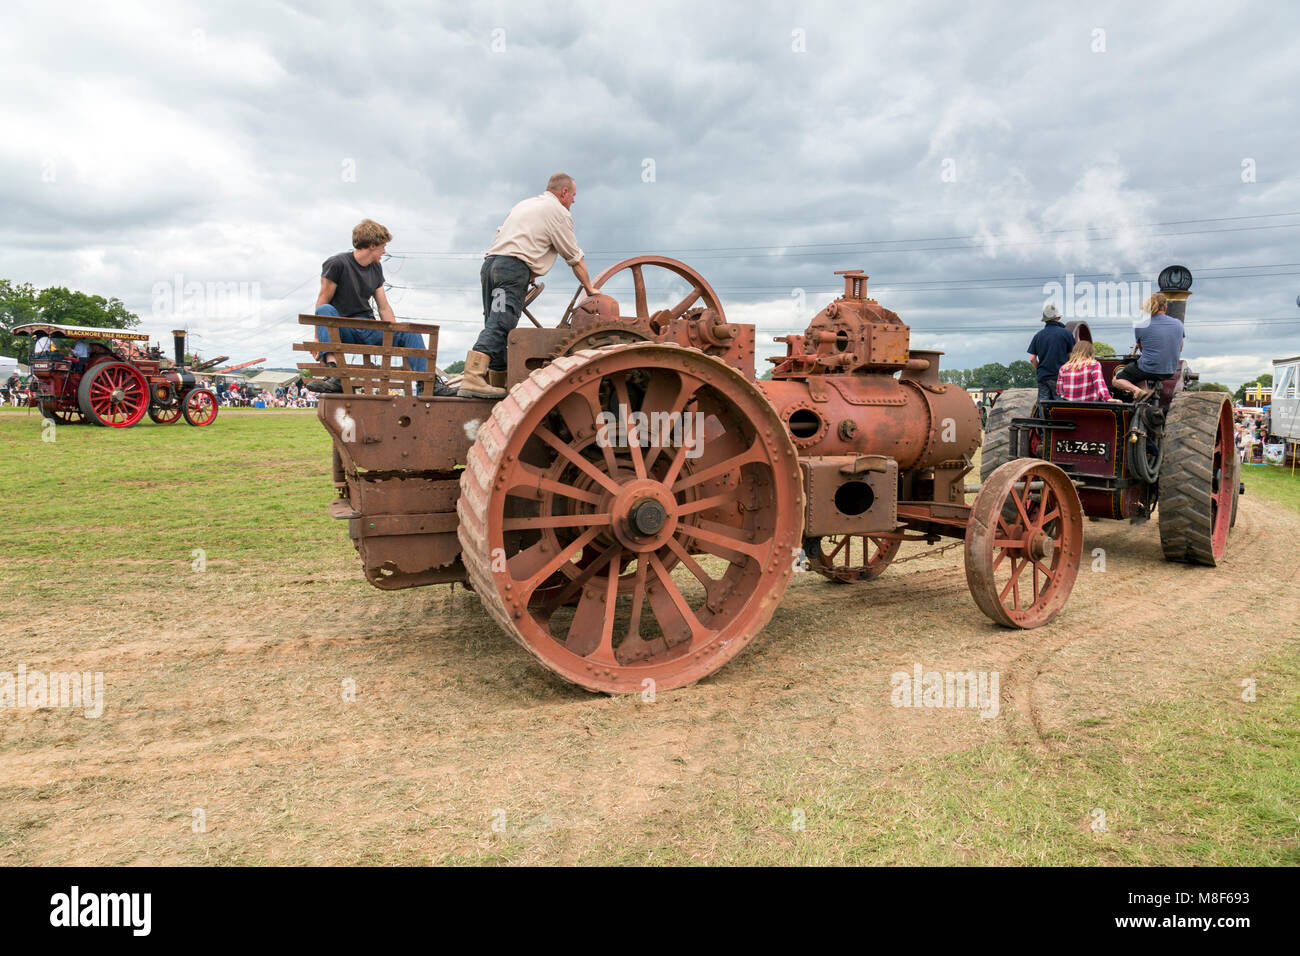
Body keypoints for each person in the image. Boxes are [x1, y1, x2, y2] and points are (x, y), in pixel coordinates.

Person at [459, 172, 599, 399]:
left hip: (492, 266)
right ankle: (473, 376)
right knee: (502, 322)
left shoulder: (525, 205)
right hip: (512, 269)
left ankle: (498, 382)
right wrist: (590, 288)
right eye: (573, 195)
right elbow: (574, 256)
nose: (573, 200)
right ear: (564, 192)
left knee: (494, 322)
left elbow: (511, 237)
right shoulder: (558, 212)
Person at [306, 219, 433, 395]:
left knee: (410, 332)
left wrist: (394, 331)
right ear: (372, 245)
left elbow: (384, 307)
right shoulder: (337, 264)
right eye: (383, 246)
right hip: (343, 328)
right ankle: (335, 375)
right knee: (324, 311)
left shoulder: (376, 267)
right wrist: (317, 339)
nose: (384, 251)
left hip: (368, 326)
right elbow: (322, 300)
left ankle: (426, 384)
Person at [1113, 292, 1184, 401]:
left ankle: (1138, 391)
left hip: (1148, 369)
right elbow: (1180, 347)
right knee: (1139, 369)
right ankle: (1145, 393)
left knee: (1117, 380)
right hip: (1170, 370)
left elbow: (1142, 349)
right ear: (1165, 307)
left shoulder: (1141, 325)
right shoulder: (1179, 324)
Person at [1026, 303, 1076, 402]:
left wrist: (1040, 369)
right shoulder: (1066, 334)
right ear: (1059, 317)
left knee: (1044, 405)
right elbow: (1072, 356)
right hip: (1060, 376)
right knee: (1060, 406)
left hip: (1043, 376)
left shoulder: (1038, 335)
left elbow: (1032, 359)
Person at [1055, 340, 1119, 402]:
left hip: (1069, 407)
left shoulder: (1063, 368)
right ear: (1090, 352)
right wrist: (1107, 398)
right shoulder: (1094, 364)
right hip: (1090, 406)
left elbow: (1059, 391)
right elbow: (1099, 383)